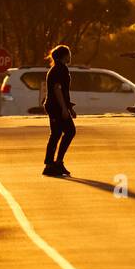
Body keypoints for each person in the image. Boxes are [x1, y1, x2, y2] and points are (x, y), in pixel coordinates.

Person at [42, 44, 76, 177]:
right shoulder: (58, 70)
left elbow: (63, 91)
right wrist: (63, 108)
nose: (70, 56)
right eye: (68, 53)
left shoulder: (61, 68)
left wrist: (69, 108)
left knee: (60, 133)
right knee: (65, 132)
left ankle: (55, 163)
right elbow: (57, 89)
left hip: (57, 105)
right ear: (64, 56)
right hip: (55, 106)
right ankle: (51, 164)